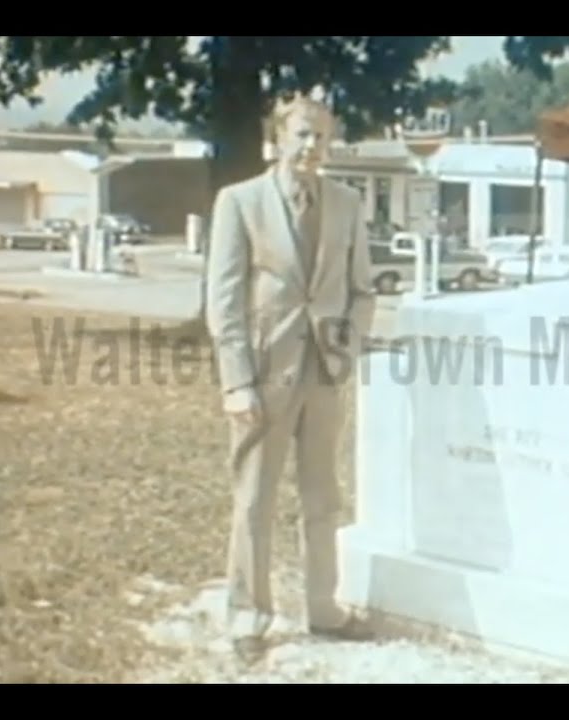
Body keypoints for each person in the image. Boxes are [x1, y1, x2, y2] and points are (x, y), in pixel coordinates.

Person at [204, 91, 377, 663]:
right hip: (263, 374)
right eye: (301, 135)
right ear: (277, 139)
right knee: (254, 498)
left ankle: (324, 610)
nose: (311, 147)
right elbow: (224, 300)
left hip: (324, 374)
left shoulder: (348, 203)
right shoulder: (240, 202)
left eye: (321, 136)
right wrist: (236, 382)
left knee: (324, 497)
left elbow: (362, 291)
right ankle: (248, 618)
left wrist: (345, 353)